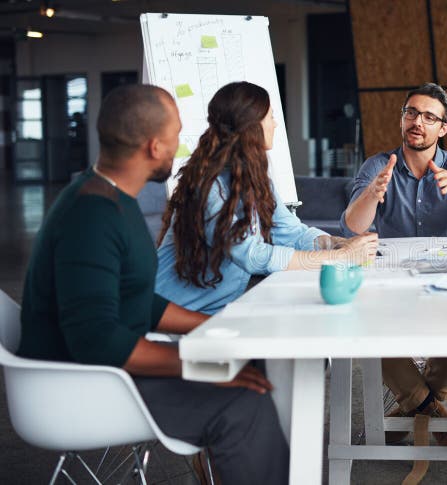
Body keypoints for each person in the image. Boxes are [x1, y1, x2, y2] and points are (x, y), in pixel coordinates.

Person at [17, 84, 289, 484]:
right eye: (176, 134)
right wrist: (201, 365)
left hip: (105, 368)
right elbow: (99, 342)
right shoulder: (91, 217)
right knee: (243, 401)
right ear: (153, 147)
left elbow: (136, 301)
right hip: (79, 386)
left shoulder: (111, 198)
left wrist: (209, 329)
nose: (183, 145)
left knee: (261, 367)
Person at [341, 83, 447, 443]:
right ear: (402, 119)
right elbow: (352, 226)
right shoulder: (378, 166)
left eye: (429, 117)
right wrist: (371, 194)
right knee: (363, 323)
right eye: (411, 113)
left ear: (444, 127)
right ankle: (431, 408)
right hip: (390, 283)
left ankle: (415, 404)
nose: (418, 122)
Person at [156, 81, 377, 315]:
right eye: (270, 117)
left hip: (217, 308)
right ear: (251, 126)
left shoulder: (256, 177)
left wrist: (337, 243)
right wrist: (338, 257)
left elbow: (292, 232)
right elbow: (251, 255)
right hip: (169, 313)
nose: (275, 124)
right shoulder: (209, 186)